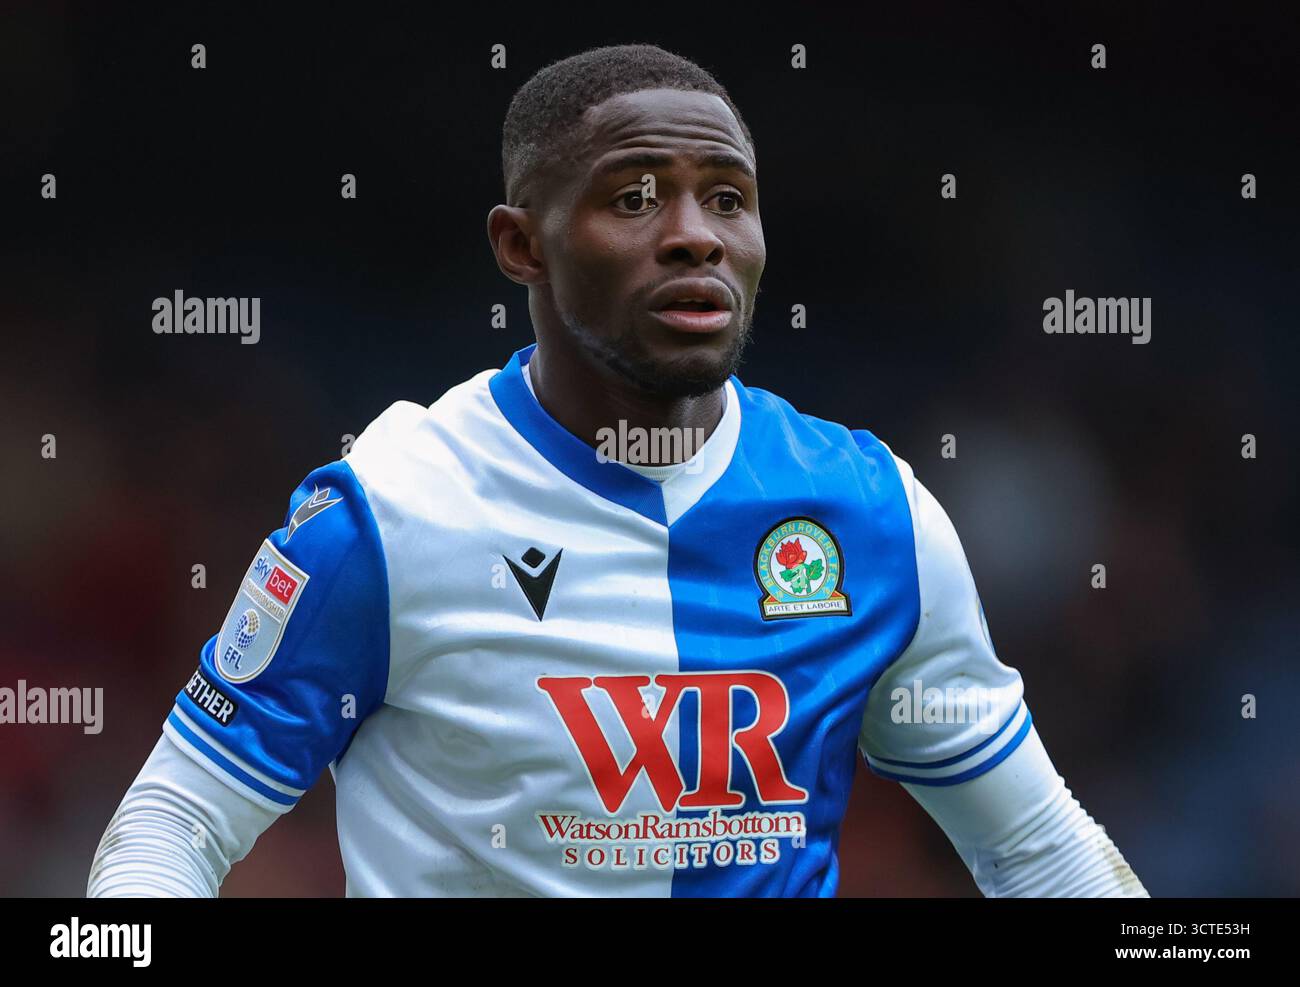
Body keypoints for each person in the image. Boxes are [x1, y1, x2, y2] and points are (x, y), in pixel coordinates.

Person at [88, 44, 1147, 897]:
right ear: (522, 244)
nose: (695, 237)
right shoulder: (388, 514)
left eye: (727, 199)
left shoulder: (872, 517)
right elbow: (177, 822)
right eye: (635, 198)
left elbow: (1038, 851)